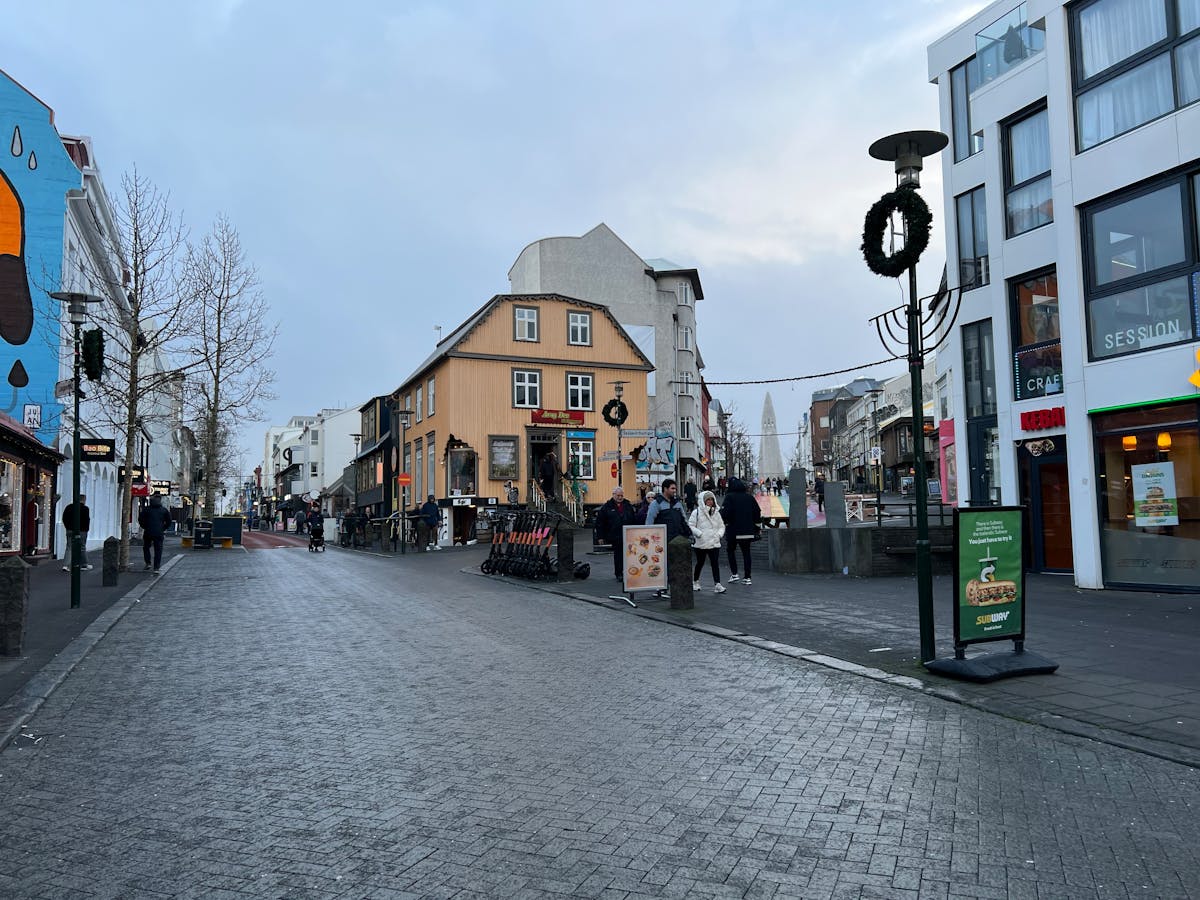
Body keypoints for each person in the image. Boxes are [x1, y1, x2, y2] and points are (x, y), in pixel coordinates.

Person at [720, 477, 760, 585]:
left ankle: (734, 574)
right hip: (747, 530)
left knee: (731, 550)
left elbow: (724, 513)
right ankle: (747, 577)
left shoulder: (729, 497)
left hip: (733, 530)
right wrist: (756, 527)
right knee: (746, 553)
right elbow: (757, 511)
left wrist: (725, 522)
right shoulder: (749, 497)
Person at [688, 490, 726, 593]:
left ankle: (717, 584)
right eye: (707, 499)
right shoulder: (696, 512)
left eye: (711, 499)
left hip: (714, 541)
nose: (710, 501)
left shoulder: (716, 513)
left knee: (715, 563)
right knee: (700, 563)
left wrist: (718, 535)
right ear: (703, 501)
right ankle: (695, 581)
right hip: (701, 542)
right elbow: (691, 525)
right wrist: (699, 534)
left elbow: (721, 526)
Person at [595, 486, 637, 580]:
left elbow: (634, 519)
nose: (620, 497)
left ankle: (629, 572)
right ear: (613, 495)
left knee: (630, 554)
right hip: (615, 535)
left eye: (621, 495)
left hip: (628, 534)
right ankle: (619, 573)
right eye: (618, 495)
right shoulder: (607, 507)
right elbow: (600, 523)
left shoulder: (627, 505)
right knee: (618, 555)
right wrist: (600, 537)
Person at [645, 479, 692, 543]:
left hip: (678, 539)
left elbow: (684, 519)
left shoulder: (677, 503)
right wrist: (650, 539)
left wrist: (689, 533)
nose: (674, 491)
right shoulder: (656, 503)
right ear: (665, 489)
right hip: (662, 540)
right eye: (672, 488)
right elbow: (649, 523)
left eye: (675, 489)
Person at [138, 492, 172, 573]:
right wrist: (163, 528)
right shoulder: (164, 510)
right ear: (160, 500)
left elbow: (140, 519)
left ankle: (148, 563)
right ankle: (156, 567)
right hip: (159, 532)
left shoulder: (146, 509)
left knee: (146, 547)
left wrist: (145, 527)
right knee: (158, 550)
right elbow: (169, 521)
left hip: (148, 531)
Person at [61, 493, 92, 572]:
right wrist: (86, 529)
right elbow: (86, 520)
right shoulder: (85, 509)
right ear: (84, 500)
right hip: (82, 530)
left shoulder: (69, 507)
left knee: (69, 547)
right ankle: (84, 564)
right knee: (82, 547)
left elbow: (64, 518)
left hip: (70, 530)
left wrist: (68, 527)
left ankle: (66, 565)